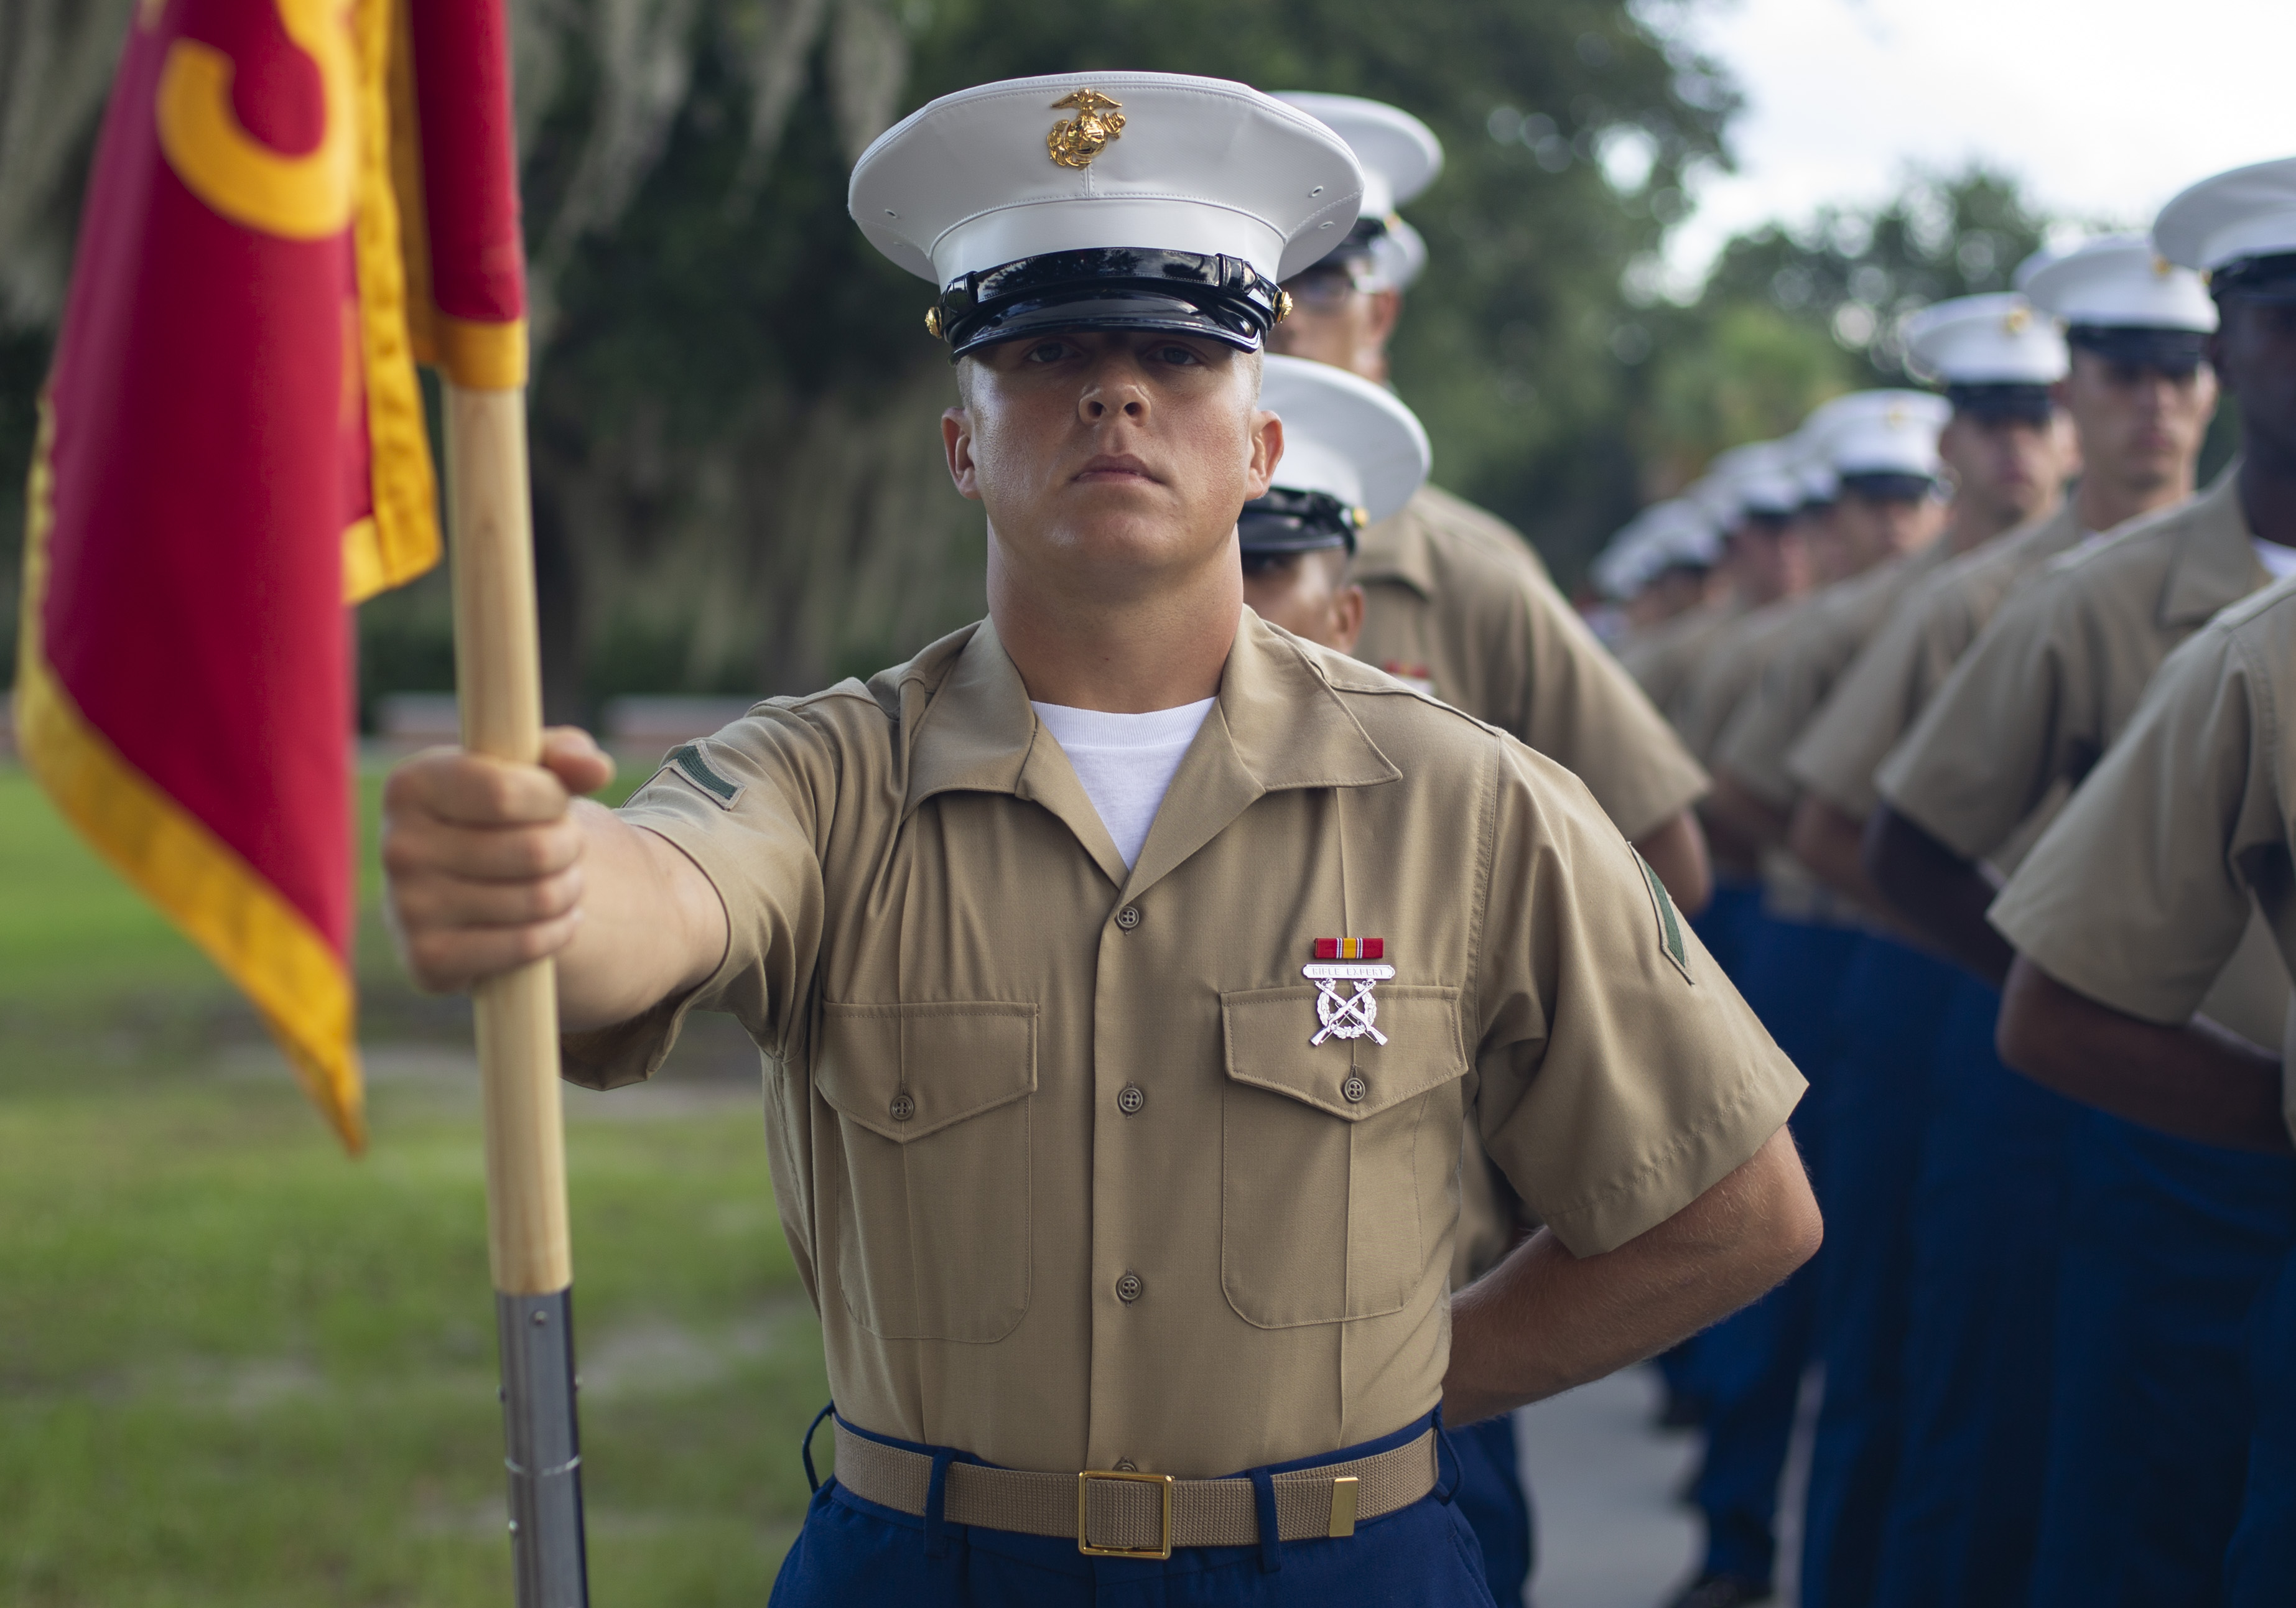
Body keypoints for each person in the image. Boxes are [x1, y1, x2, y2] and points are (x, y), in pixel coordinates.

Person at [379, 72, 1823, 1608]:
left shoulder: (1464, 801)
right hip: (926, 1569)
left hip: (1340, 1566)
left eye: (1180, 354)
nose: (1115, 395)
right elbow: (660, 891)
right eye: (1048, 351)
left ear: (1261, 443)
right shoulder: (828, 775)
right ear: (960, 442)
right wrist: (547, 872)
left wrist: (1413, 1384)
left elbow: (1736, 1211)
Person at [1864, 161, 2296, 1608]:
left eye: (2174, 371)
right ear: (2243, 345)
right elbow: (1892, 841)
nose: (2158, 401)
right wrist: (2106, 1005)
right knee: (2106, 1499)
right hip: (2165, 1129)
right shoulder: (2128, 608)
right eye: (2284, 322)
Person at [1779, 235, 2218, 1608]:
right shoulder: (1983, 601)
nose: (2150, 404)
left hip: (2219, 1055)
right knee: (1959, 1392)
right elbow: (1838, 827)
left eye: (2180, 371)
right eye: (2119, 374)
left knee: (2170, 1433)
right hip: (1988, 1017)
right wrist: (2037, 958)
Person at [1669, 380, 1975, 1608]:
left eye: (1909, 498)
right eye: (1869, 499)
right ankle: (1741, 1533)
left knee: (1930, 1300)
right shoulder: (1807, 637)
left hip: (1928, 961)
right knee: (1795, 1273)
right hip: (1812, 933)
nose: (1889, 521)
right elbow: (1732, 800)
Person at [1269, 91, 1715, 919]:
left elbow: (1664, 858)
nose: (1286, 321)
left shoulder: (1471, 572)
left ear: (1383, 312)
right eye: (1258, 288)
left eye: (1323, 283)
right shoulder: (1135, 551)